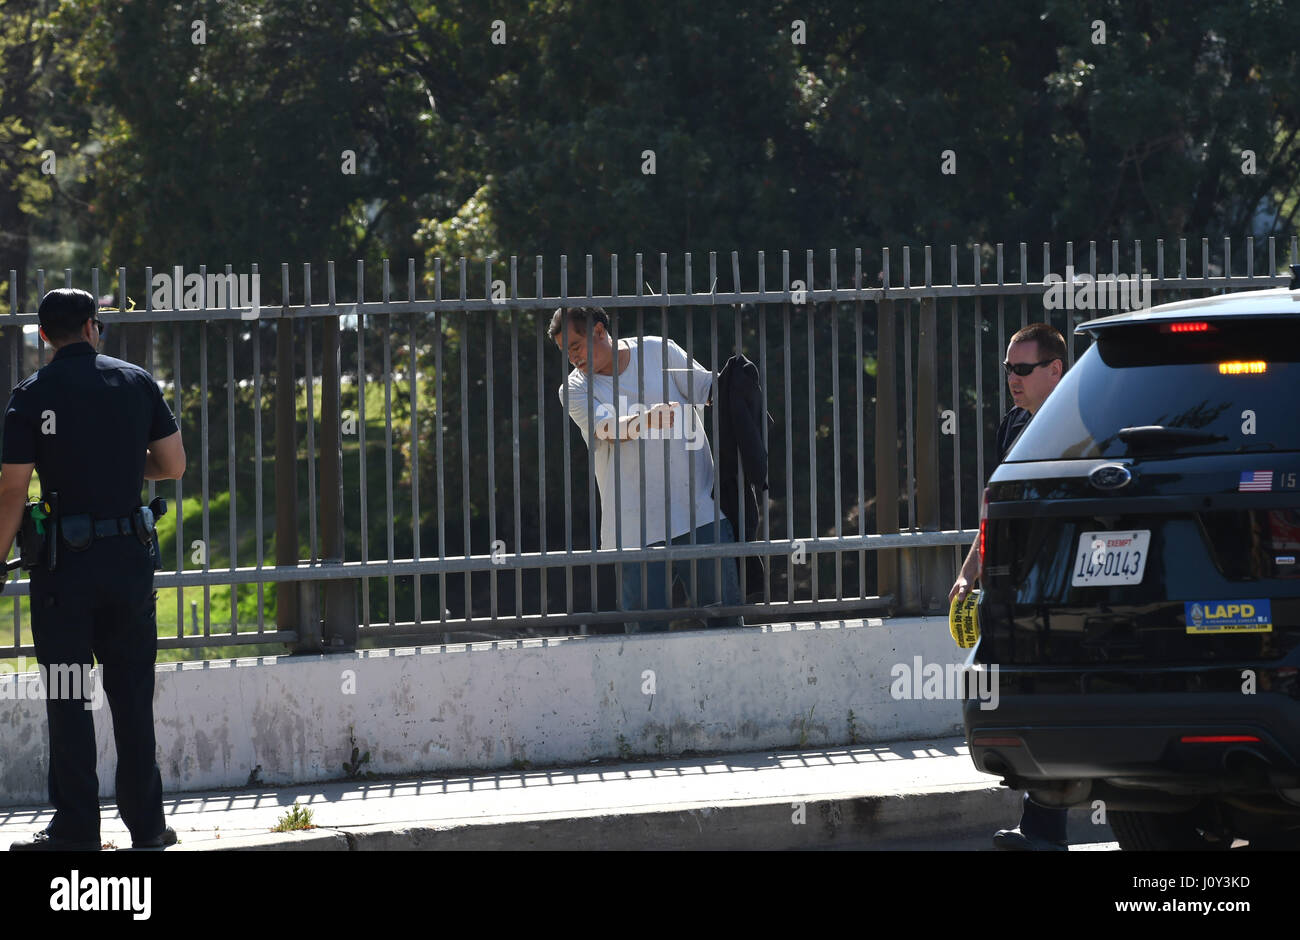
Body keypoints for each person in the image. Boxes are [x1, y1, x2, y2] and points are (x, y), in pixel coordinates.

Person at [3, 288, 186, 851]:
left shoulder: (32, 396)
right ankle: (148, 828)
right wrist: (125, 463)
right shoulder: (135, 381)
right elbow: (173, 464)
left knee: (68, 696)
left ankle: (77, 830)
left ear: (42, 337)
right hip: (130, 562)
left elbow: (12, 488)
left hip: (64, 572)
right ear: (91, 328)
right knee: (132, 696)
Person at [949, 321, 1068, 852]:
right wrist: (968, 572)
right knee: (1014, 699)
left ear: (1054, 370)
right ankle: (1040, 824)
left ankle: (1045, 828)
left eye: (1023, 370)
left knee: (1052, 703)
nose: (1012, 380)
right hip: (1011, 586)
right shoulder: (1013, 426)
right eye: (1008, 370)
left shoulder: (1082, 425)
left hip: (1060, 588)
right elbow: (993, 514)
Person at [550, 306, 741, 633]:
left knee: (726, 625)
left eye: (576, 346)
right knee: (645, 638)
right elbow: (604, 429)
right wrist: (644, 420)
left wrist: (741, 376)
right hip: (633, 530)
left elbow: (710, 389)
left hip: (699, 512)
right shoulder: (574, 389)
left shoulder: (658, 350)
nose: (572, 358)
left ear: (598, 332)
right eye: (565, 352)